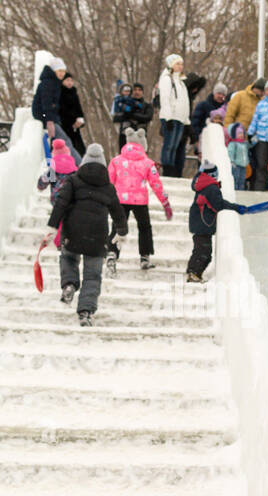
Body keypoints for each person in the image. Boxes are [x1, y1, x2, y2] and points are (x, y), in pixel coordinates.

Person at [44, 144, 128, 326]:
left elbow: (61, 204)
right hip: (97, 236)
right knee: (92, 275)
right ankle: (86, 311)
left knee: (68, 258)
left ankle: (69, 284)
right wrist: (122, 232)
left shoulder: (73, 181)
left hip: (73, 231)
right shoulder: (108, 187)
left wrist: (52, 226)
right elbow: (118, 213)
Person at [106, 128, 172, 275]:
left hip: (120, 200)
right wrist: (165, 203)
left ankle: (111, 253)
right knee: (144, 227)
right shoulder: (148, 163)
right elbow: (156, 184)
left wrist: (106, 200)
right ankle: (145, 256)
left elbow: (108, 182)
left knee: (117, 227)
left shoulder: (116, 161)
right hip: (140, 201)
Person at [187, 158, 250, 282]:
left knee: (200, 250)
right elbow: (218, 204)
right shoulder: (211, 188)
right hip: (203, 224)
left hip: (199, 223)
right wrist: (236, 207)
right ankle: (194, 273)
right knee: (204, 253)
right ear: (213, 175)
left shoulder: (203, 185)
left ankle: (193, 272)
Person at [32, 57, 81, 162]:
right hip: (44, 115)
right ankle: (79, 165)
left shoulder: (55, 82)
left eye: (63, 71)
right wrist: (49, 121)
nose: (62, 73)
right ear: (54, 71)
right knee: (65, 141)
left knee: (60, 140)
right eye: (59, 71)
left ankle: (67, 164)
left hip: (51, 116)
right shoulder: (48, 83)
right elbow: (46, 103)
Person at [156, 54, 191, 177]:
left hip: (180, 118)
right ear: (171, 65)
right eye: (177, 64)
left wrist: (187, 121)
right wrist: (167, 117)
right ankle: (167, 169)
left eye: (181, 64)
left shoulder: (181, 81)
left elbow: (185, 101)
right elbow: (165, 99)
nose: (180, 66)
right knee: (169, 145)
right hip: (171, 117)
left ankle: (172, 169)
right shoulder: (166, 79)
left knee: (175, 145)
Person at [191, 83, 227, 149]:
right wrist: (196, 139)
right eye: (219, 93)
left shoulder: (226, 109)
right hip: (204, 139)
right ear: (214, 93)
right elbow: (195, 123)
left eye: (223, 94)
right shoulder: (203, 105)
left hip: (220, 142)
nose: (221, 96)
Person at [58, 73, 87, 155]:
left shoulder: (74, 93)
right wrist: (72, 122)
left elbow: (79, 110)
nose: (70, 82)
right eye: (67, 80)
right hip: (64, 127)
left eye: (71, 80)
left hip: (75, 129)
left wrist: (80, 120)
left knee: (80, 152)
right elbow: (62, 111)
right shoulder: (60, 93)